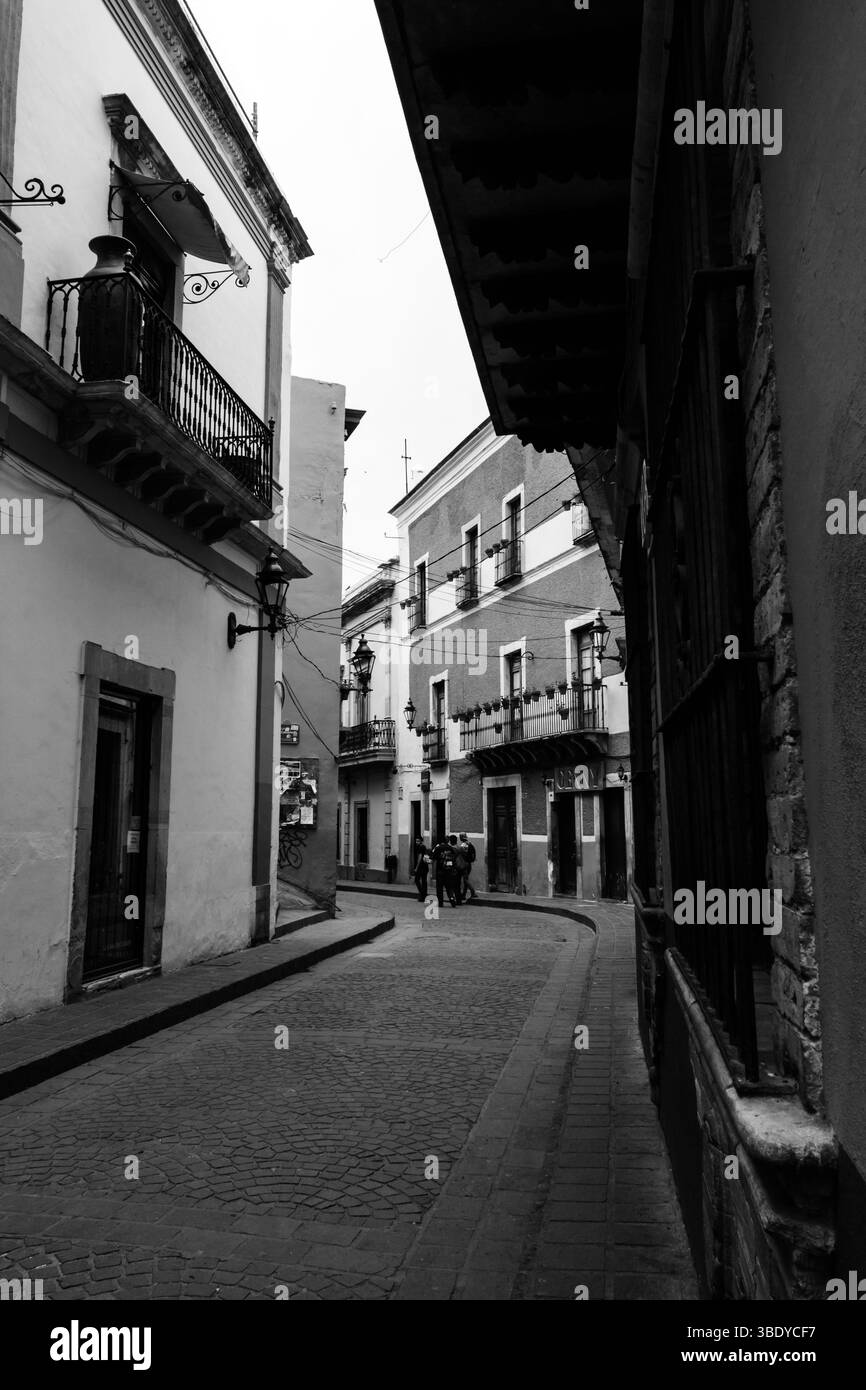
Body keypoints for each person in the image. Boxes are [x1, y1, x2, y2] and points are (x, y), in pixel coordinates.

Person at [432, 835, 458, 907]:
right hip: (449, 870)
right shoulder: (450, 848)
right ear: (447, 841)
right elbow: (454, 857)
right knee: (449, 887)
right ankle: (452, 900)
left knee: (439, 887)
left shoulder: (438, 848)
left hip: (440, 870)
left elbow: (433, 859)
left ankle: (440, 902)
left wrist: (433, 872)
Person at [458, 832, 477, 901]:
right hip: (469, 864)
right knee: (465, 879)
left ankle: (473, 892)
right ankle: (464, 894)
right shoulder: (469, 843)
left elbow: (463, 855)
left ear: (461, 837)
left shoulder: (463, 845)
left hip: (464, 864)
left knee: (465, 880)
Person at [448, 834, 465, 906]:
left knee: (453, 885)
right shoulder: (460, 848)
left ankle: (455, 899)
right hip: (460, 867)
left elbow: (450, 859)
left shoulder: (451, 849)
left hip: (454, 868)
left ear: (450, 841)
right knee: (458, 884)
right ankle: (459, 900)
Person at [413, 837, 430, 901]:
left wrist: (416, 868)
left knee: (417, 880)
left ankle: (422, 894)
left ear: (421, 841)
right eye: (416, 841)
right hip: (425, 867)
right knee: (424, 881)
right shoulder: (424, 847)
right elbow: (426, 857)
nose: (416, 842)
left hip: (421, 867)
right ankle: (424, 895)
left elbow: (420, 858)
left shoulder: (420, 847)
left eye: (418, 841)